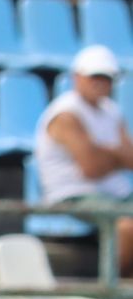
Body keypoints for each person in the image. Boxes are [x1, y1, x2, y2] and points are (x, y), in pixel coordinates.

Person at [33, 46, 133, 264]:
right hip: (73, 195)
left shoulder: (112, 110)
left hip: (113, 193)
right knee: (126, 226)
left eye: (106, 77)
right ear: (77, 77)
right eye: (94, 76)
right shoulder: (65, 114)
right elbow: (92, 168)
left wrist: (104, 153)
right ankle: (117, 291)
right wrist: (117, 155)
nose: (100, 82)